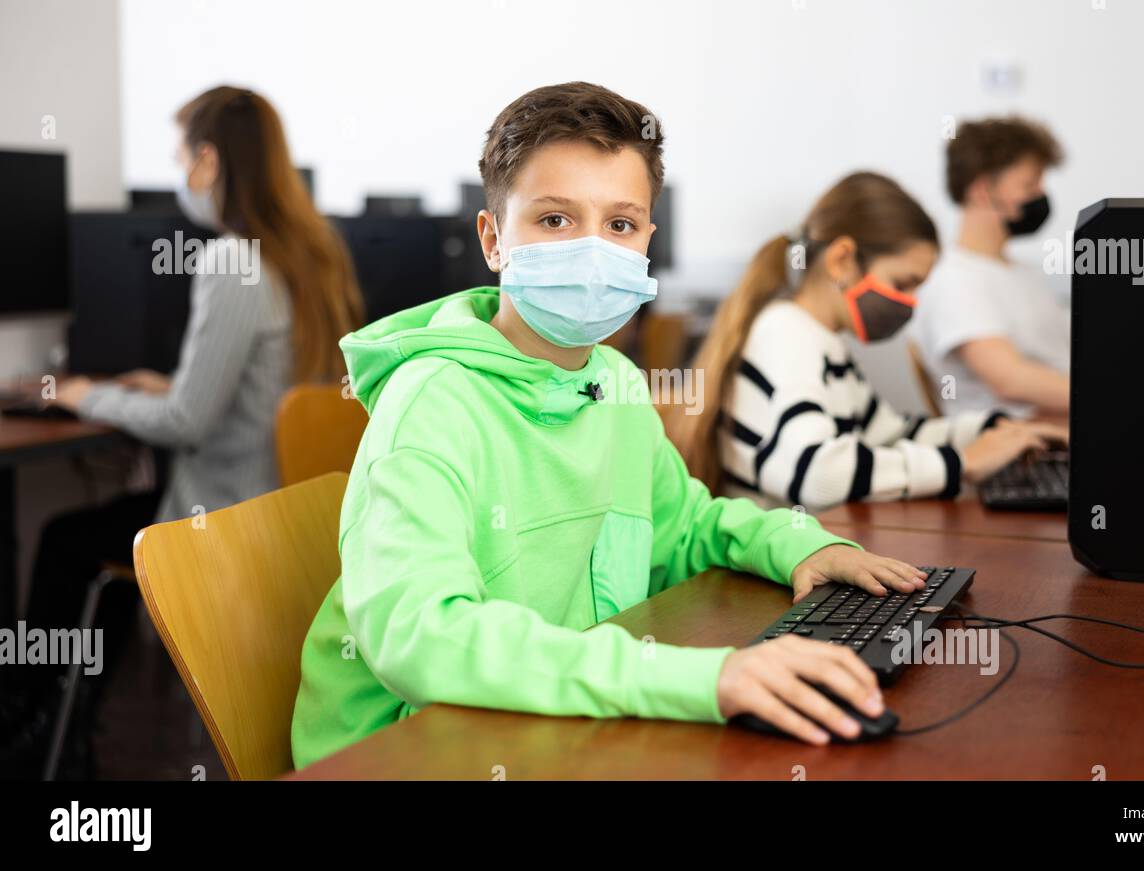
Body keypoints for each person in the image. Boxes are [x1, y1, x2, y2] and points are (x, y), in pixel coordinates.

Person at [291, 82, 934, 766]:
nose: (592, 250)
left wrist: (798, 544)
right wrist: (698, 679)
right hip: (407, 746)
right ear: (492, 239)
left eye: (620, 225)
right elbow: (421, 636)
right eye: (556, 220)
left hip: (548, 719)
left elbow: (683, 526)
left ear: (646, 242)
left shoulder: (616, 384)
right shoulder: (434, 402)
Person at [2, 86, 364, 779]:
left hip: (226, 519)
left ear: (207, 160)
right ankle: (61, 726)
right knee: (88, 538)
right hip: (292, 514)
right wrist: (163, 381)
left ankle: (44, 732)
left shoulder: (232, 265)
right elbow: (269, 391)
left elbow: (186, 422)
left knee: (65, 542)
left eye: (180, 155)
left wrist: (87, 392)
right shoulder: (313, 255)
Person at [679, 172, 1060, 511]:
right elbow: (817, 474)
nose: (909, 303)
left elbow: (890, 434)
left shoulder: (824, 341)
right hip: (770, 568)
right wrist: (962, 463)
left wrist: (995, 430)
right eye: (903, 284)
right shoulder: (786, 334)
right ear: (842, 260)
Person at [910, 116, 1070, 417]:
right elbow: (1010, 380)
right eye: (1029, 185)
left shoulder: (1024, 274)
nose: (1040, 196)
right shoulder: (953, 281)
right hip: (1024, 451)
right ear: (982, 190)